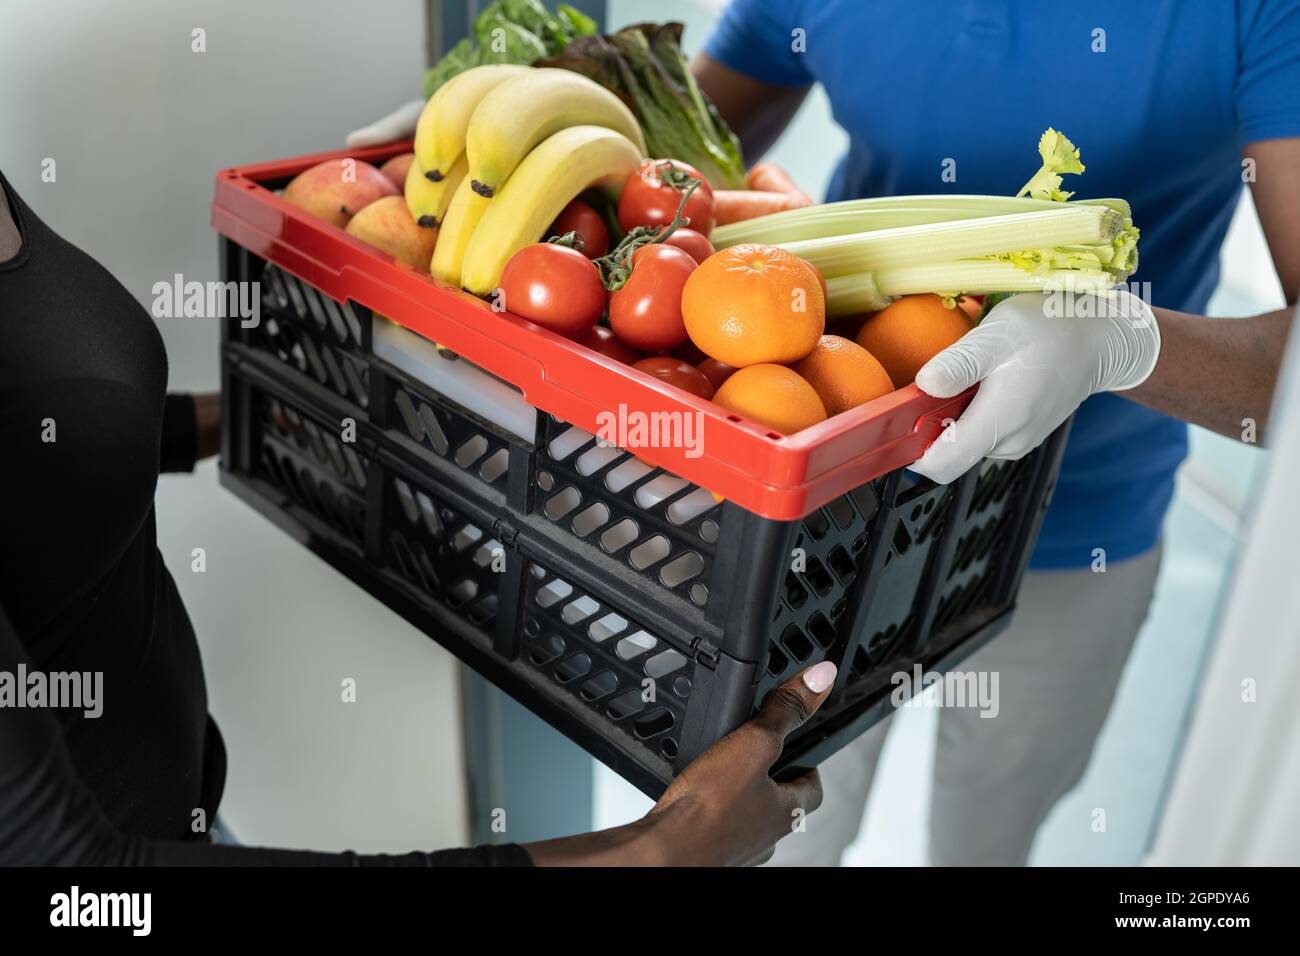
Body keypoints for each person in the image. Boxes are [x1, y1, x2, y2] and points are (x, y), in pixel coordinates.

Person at [349, 2, 1300, 865]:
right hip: (818, 520)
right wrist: (483, 170)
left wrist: (1119, 340)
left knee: (991, 832)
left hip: (1076, 520)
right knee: (786, 834)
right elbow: (682, 163)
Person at [0, 169, 831, 866]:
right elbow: (71, 885)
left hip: (184, 802)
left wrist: (272, 407)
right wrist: (656, 851)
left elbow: (42, 435)